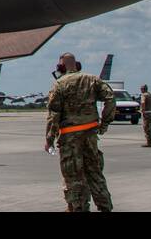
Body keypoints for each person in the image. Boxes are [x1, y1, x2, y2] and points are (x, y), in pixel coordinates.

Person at [44, 52, 116, 212]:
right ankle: (105, 207)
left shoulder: (60, 84)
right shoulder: (92, 80)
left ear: (61, 67)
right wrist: (104, 123)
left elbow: (54, 115)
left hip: (70, 138)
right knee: (95, 173)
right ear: (77, 65)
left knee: (73, 177)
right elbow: (110, 98)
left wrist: (49, 138)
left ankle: (78, 207)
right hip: (90, 135)